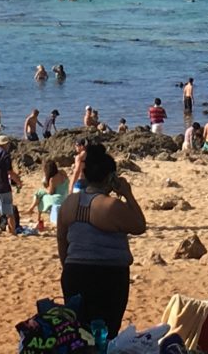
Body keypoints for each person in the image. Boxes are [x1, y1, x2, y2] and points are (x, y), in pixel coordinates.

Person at [57, 143, 146, 336]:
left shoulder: (69, 203)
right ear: (110, 177)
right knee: (107, 333)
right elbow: (140, 226)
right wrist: (127, 193)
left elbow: (62, 242)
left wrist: (69, 266)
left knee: (79, 335)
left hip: (74, 272)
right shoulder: (111, 206)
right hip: (109, 275)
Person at [27, 159, 69, 226]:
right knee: (40, 193)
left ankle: (37, 216)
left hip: (58, 199)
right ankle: (32, 210)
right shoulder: (62, 172)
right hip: (65, 196)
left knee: (40, 195)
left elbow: (50, 192)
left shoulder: (52, 179)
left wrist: (45, 186)